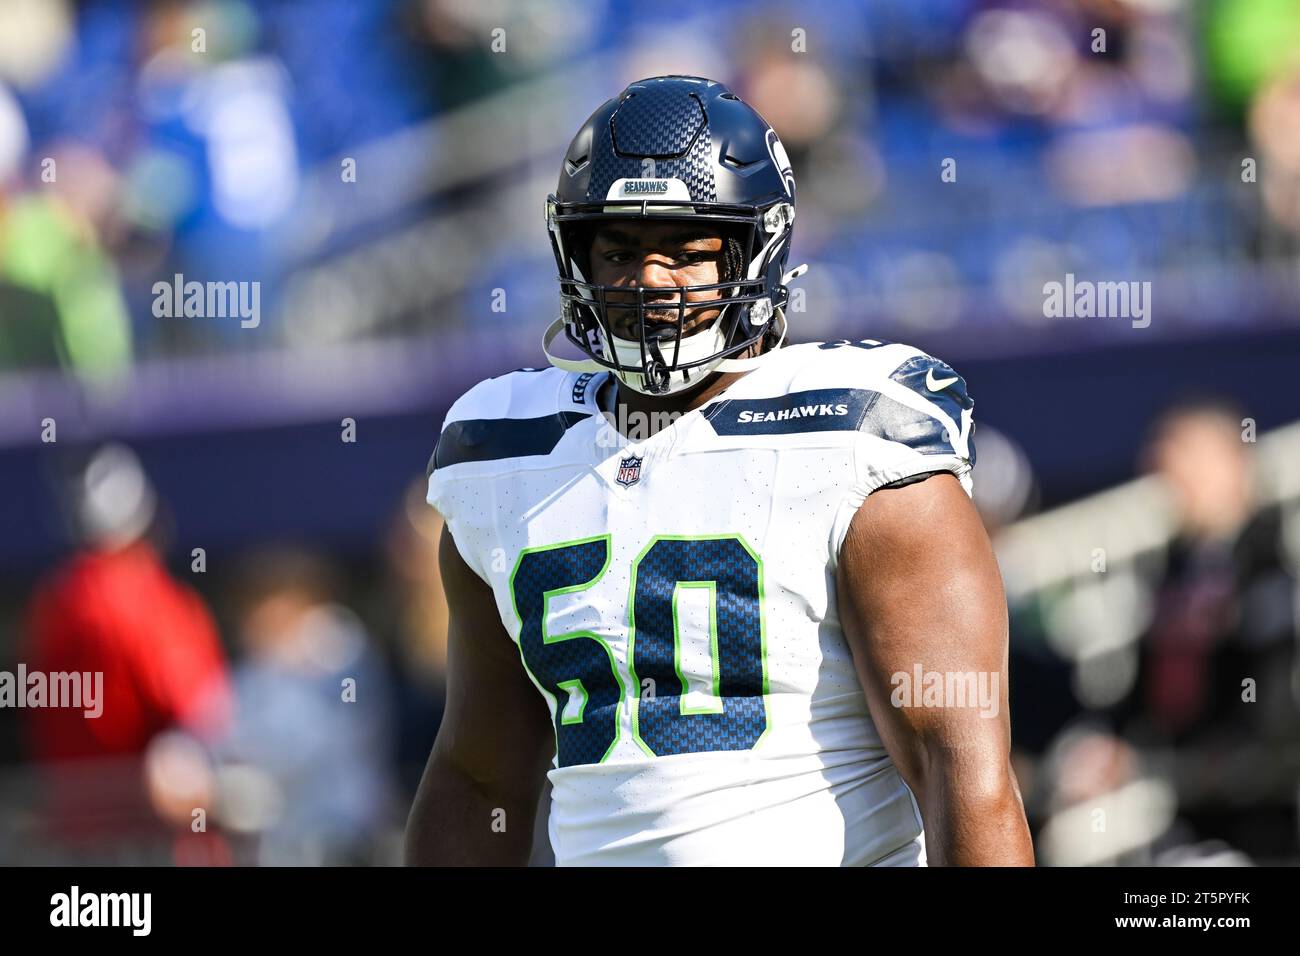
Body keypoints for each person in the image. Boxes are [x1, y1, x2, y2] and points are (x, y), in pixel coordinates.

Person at [406, 75, 1032, 866]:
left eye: (687, 250)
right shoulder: (504, 457)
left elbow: (965, 775)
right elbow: (477, 774)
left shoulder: (855, 440)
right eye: (621, 249)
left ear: (757, 251)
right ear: (576, 254)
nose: (651, 280)